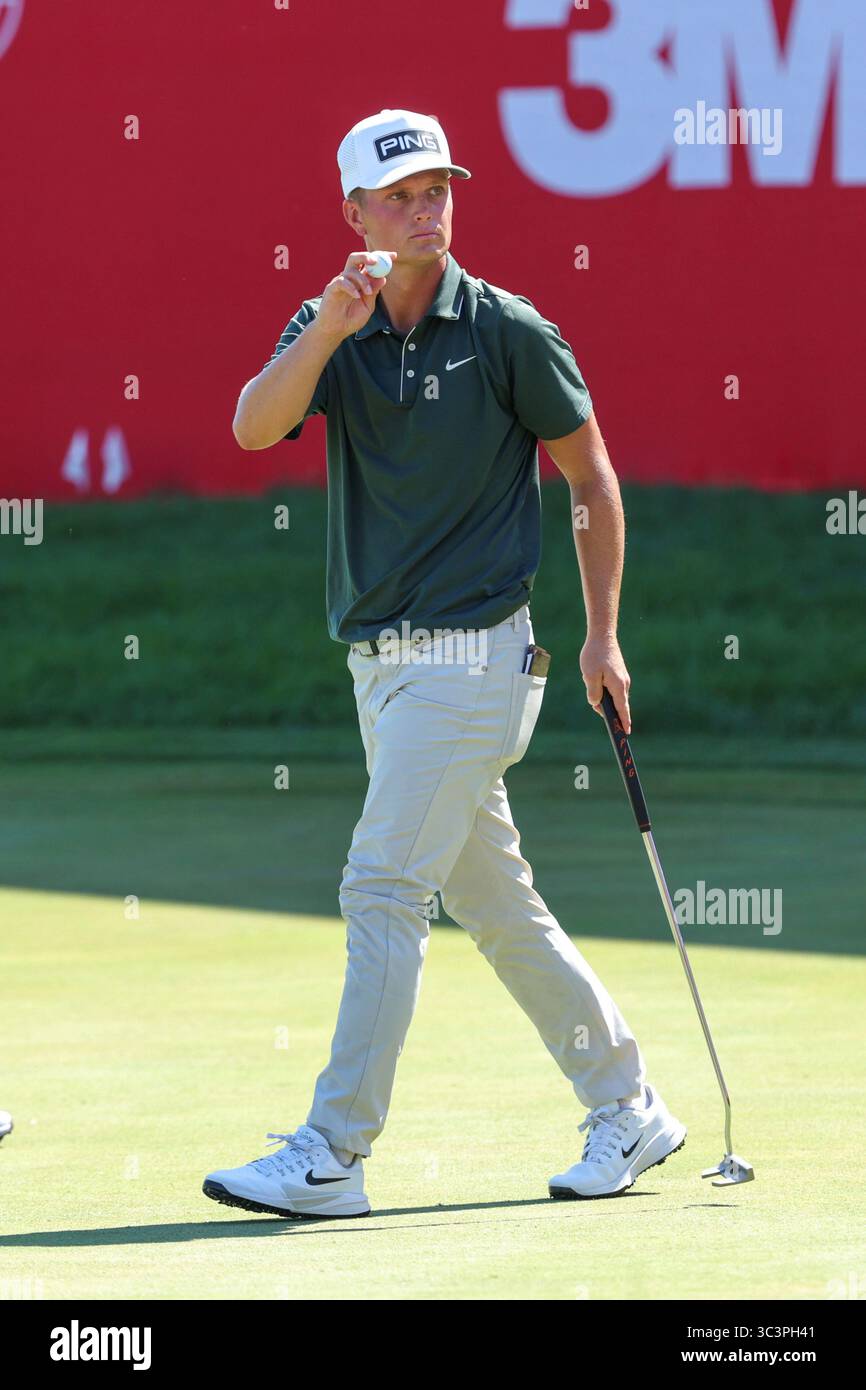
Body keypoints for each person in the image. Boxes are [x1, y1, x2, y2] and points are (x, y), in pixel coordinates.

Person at [204, 108, 685, 1220]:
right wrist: (324, 328)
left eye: (437, 190)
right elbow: (248, 425)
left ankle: (332, 1150)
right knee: (498, 904)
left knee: (380, 885)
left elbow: (592, 483)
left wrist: (603, 634)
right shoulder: (336, 323)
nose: (424, 211)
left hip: (474, 663)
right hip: (383, 671)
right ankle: (627, 1104)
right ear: (354, 215)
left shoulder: (510, 330)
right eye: (399, 195)